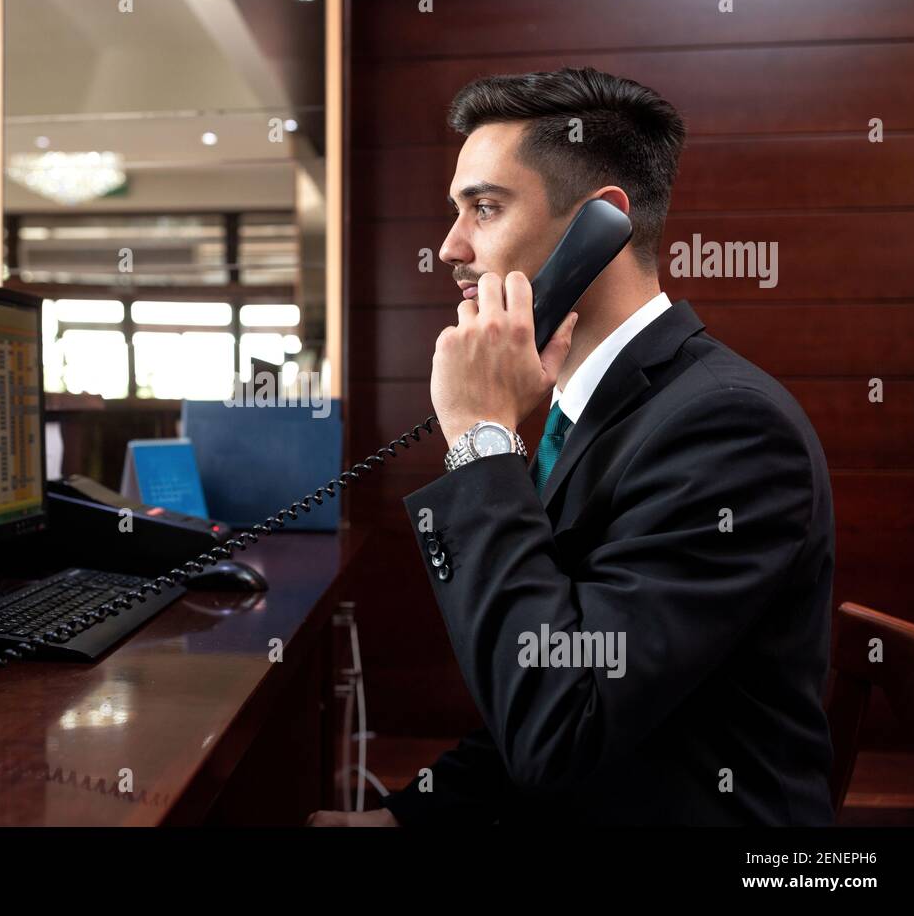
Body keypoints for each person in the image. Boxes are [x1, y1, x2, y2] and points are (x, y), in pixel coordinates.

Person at [308, 68, 834, 826]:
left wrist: (480, 439)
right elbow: (534, 663)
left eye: (484, 208)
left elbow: (561, 721)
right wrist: (404, 817)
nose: (450, 246)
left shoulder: (728, 429)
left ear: (602, 225)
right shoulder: (585, 410)